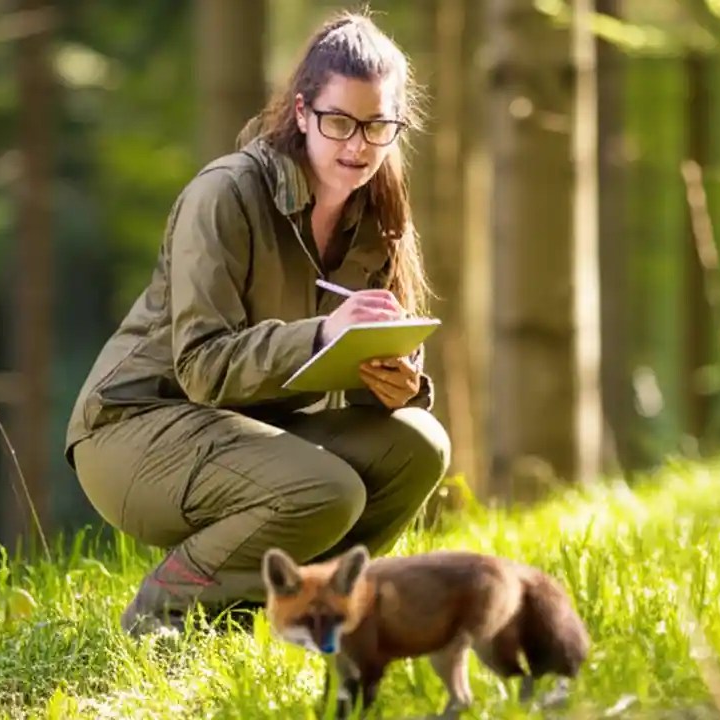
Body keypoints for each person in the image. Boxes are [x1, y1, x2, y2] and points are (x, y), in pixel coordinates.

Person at [63, 11, 451, 637]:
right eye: (339, 123)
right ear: (301, 113)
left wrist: (395, 378)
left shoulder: (378, 215)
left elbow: (351, 370)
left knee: (418, 446)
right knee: (328, 490)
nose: (358, 146)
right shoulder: (226, 195)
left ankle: (291, 613)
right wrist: (325, 335)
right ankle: (162, 608)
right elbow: (202, 366)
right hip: (133, 427)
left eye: (378, 126)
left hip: (253, 429)